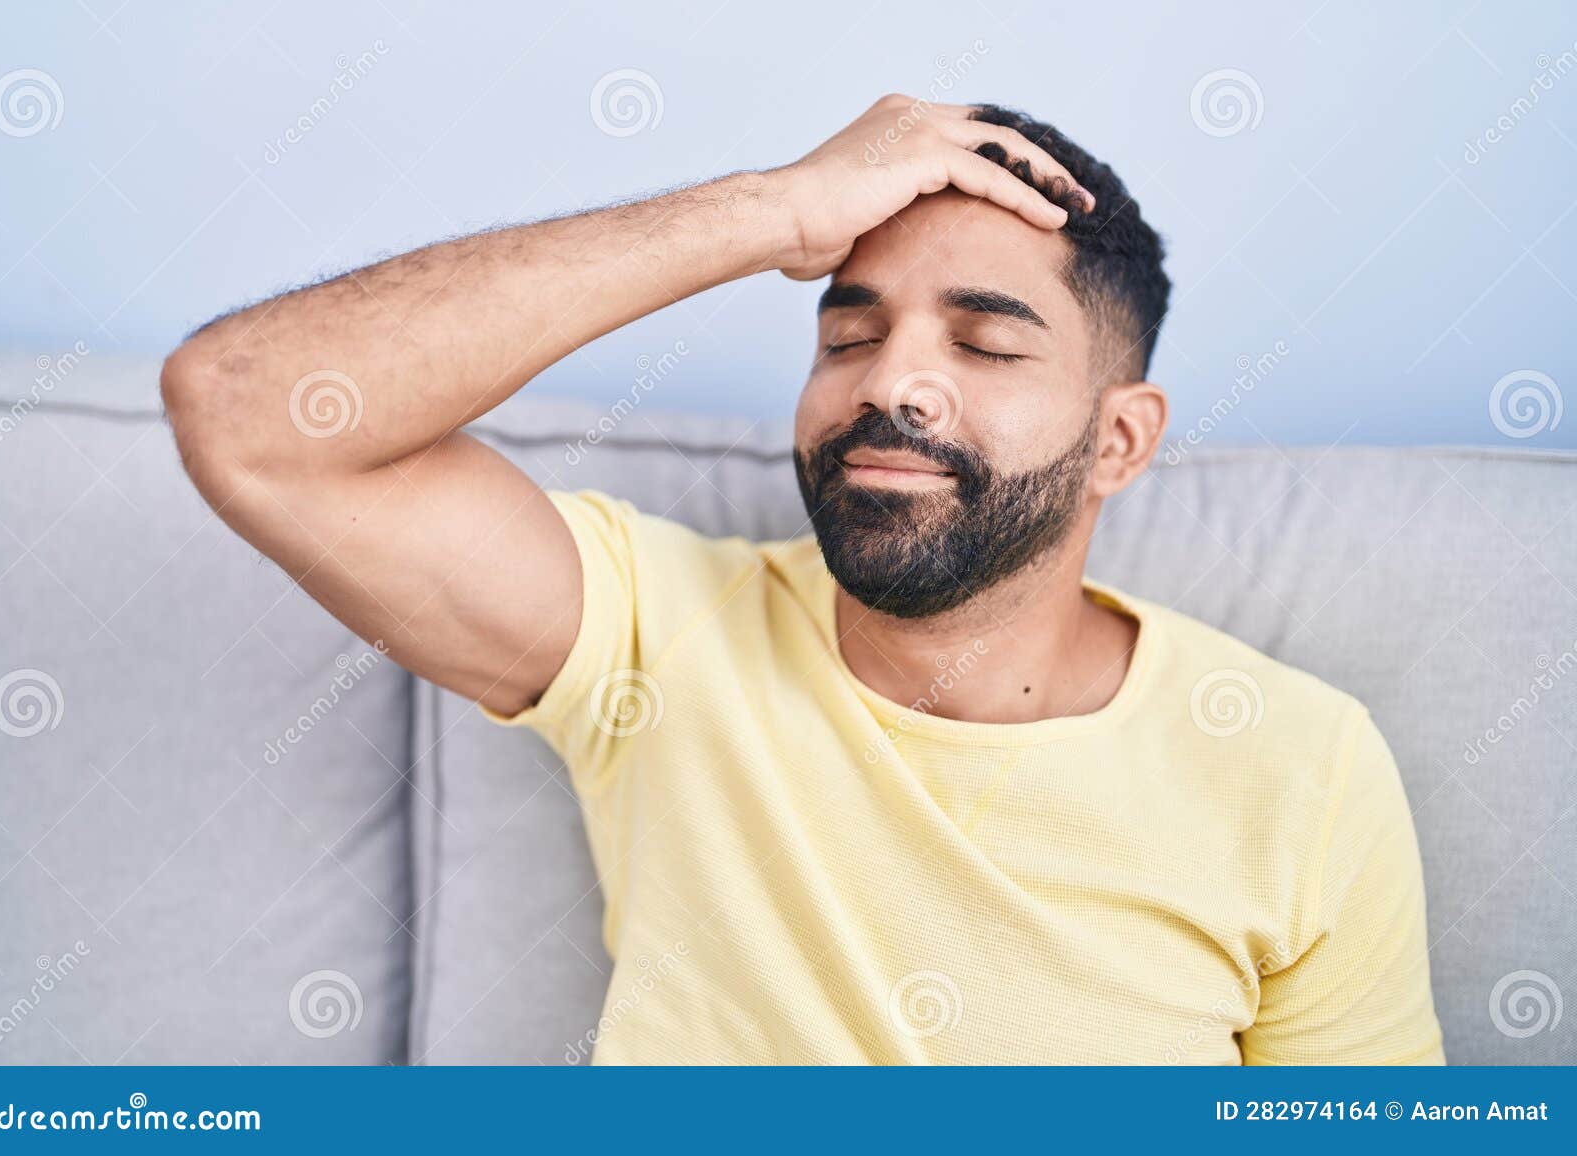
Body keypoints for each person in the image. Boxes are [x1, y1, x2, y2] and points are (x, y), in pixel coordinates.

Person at [161, 95, 1444, 1064]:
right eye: (849, 335)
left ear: (1118, 440)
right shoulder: (654, 635)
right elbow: (243, 410)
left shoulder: (1301, 764)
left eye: (985, 344)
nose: (891, 382)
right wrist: (773, 210)